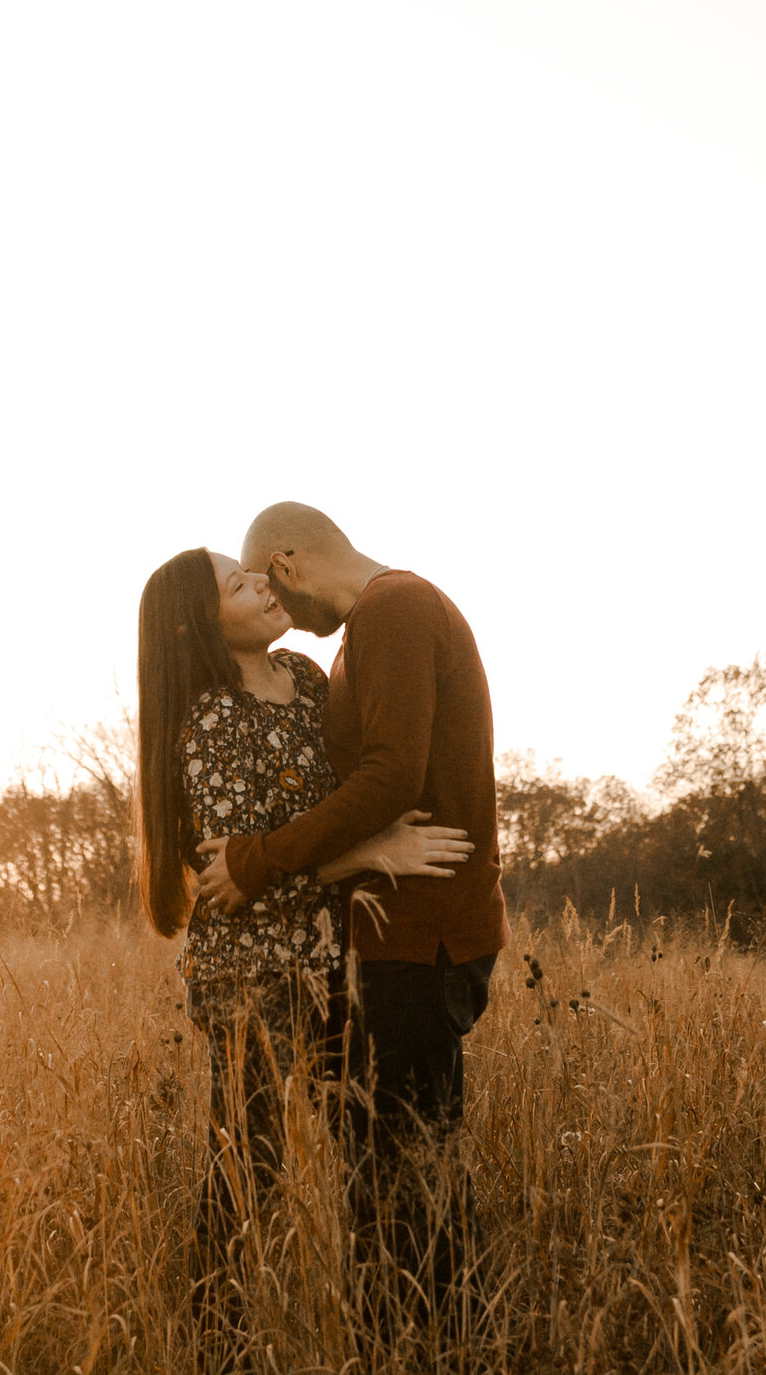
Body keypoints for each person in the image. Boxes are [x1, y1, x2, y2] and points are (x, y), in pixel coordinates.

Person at [134, 546, 473, 1355]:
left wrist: (361, 843)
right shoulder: (210, 721)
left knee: (370, 1150)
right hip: (250, 971)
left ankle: (384, 1332)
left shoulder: (308, 679)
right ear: (201, 622)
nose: (262, 582)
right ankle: (219, 1343)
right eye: (237, 583)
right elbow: (235, 872)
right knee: (248, 1169)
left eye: (253, 571)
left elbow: (324, 815)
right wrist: (371, 852)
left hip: (331, 956)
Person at [196, 502, 507, 1319]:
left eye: (267, 586)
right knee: (406, 1176)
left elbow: (391, 775)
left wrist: (258, 858)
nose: (280, 611)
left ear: (286, 564)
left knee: (403, 1188)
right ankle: (431, 1336)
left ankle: (419, 1340)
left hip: (422, 933)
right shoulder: (374, 625)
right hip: (401, 936)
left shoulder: (394, 608)